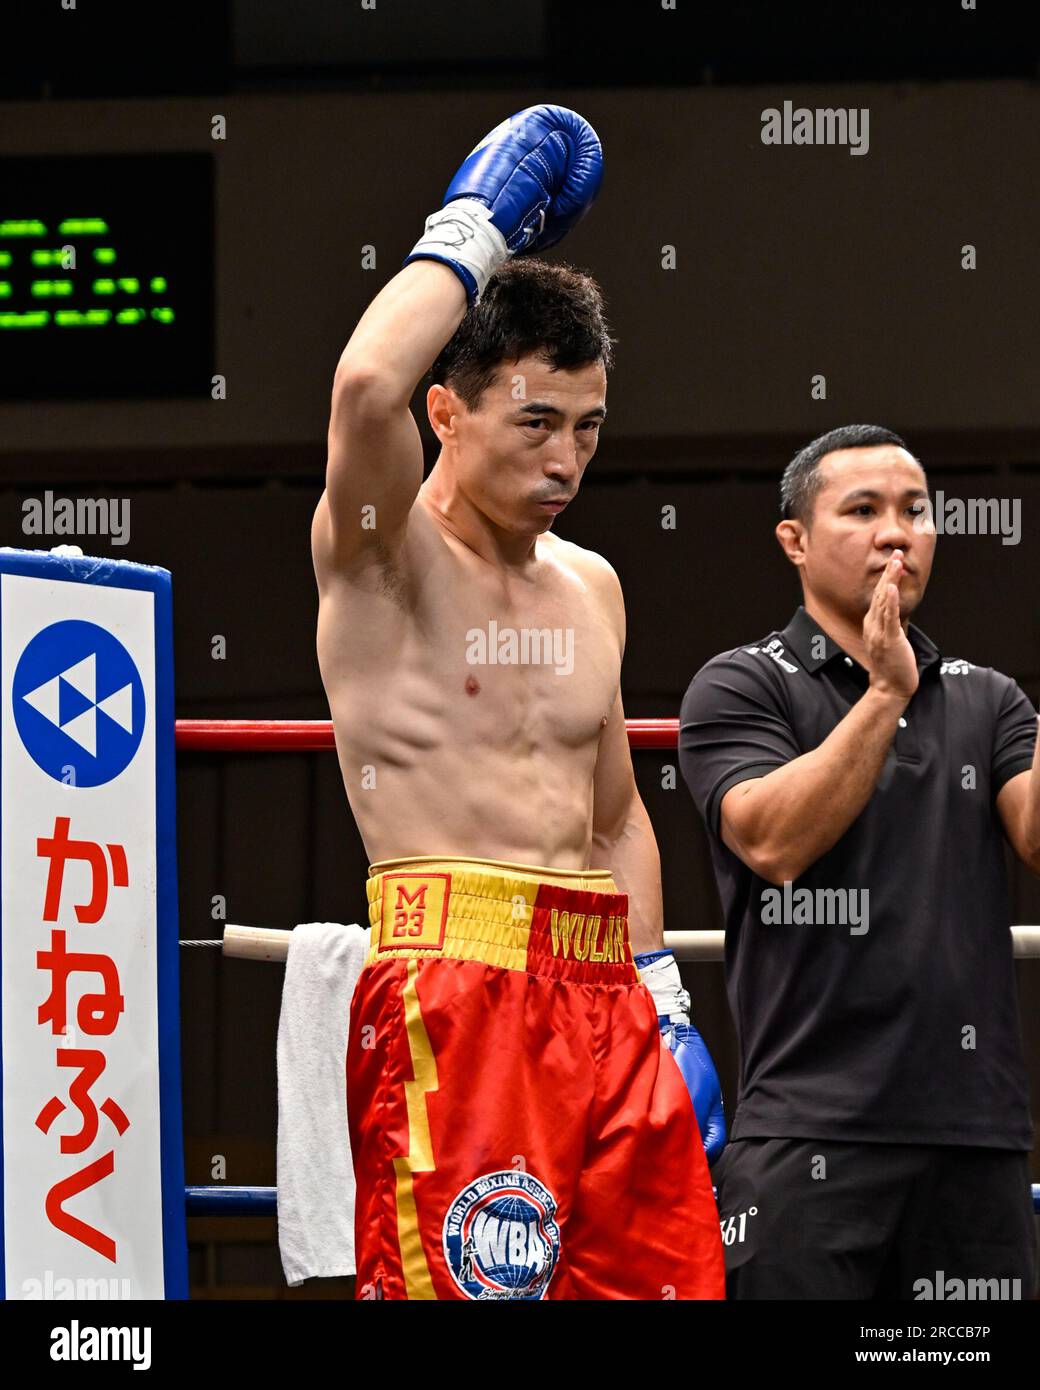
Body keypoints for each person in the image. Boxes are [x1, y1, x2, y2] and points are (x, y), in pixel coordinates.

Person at [312, 104, 725, 1301]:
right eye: (534, 422)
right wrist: (471, 229)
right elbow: (365, 386)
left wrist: (659, 991)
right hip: (456, 994)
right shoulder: (383, 557)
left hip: (609, 998)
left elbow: (613, 815)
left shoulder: (591, 584)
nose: (564, 461)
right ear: (448, 412)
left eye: (587, 429)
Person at [679, 423, 1039, 1299]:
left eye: (915, 511)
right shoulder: (742, 683)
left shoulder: (988, 698)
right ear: (794, 540)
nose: (896, 534)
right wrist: (885, 693)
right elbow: (774, 843)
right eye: (864, 510)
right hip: (808, 1131)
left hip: (974, 1138)